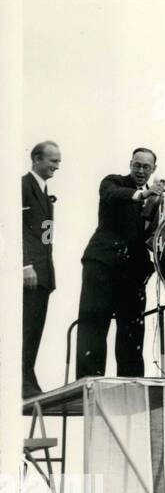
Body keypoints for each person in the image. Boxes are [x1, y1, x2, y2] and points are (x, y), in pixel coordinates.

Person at [75, 148, 165, 379]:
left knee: (132, 331)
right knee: (94, 325)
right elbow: (112, 195)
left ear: (154, 169)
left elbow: (149, 235)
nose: (141, 170)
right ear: (130, 164)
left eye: (146, 167)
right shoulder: (113, 182)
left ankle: (132, 383)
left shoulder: (155, 199)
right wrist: (145, 195)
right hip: (102, 266)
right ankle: (89, 380)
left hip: (132, 271)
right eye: (137, 165)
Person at [22, 141, 61, 398]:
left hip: (43, 273)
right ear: (37, 159)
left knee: (35, 328)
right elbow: (15, 228)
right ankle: (21, 380)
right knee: (25, 327)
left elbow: (45, 236)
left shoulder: (45, 193)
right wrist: (25, 264)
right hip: (30, 272)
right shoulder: (23, 186)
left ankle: (27, 377)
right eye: (53, 161)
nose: (57, 166)